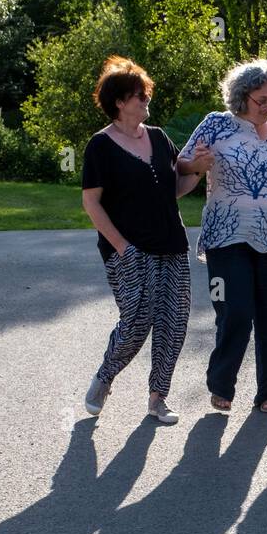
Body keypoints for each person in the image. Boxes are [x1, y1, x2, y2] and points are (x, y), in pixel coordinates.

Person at [81, 55, 199, 423]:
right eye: (139, 95)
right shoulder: (100, 146)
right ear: (119, 101)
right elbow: (91, 202)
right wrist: (122, 247)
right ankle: (105, 376)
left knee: (174, 321)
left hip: (171, 244)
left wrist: (198, 171)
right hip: (128, 249)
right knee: (137, 319)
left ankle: (157, 398)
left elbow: (174, 189)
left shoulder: (160, 137)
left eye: (146, 94)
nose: (146, 100)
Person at [177, 59, 267, 413]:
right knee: (235, 311)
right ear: (242, 95)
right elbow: (182, 164)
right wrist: (198, 165)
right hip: (225, 238)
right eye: (262, 99)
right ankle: (221, 384)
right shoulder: (216, 125)